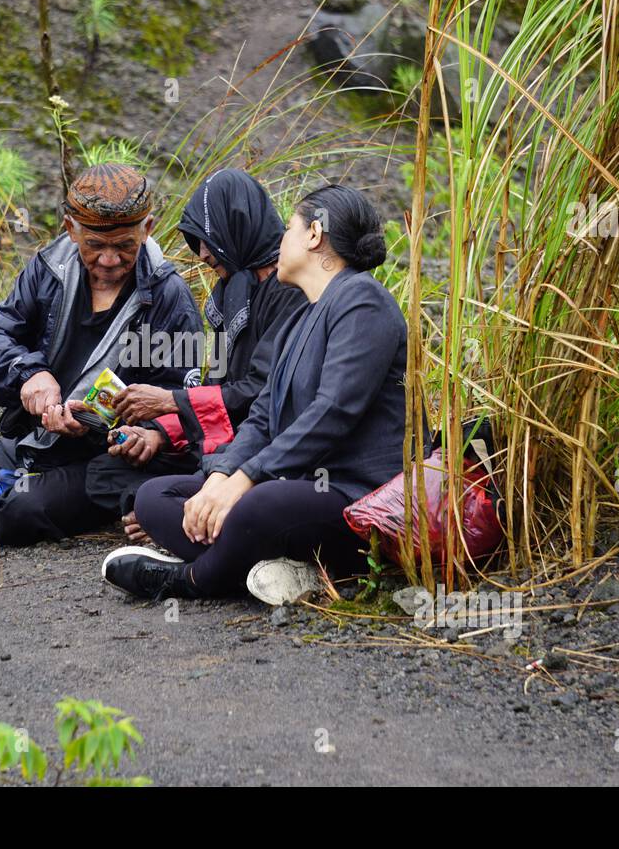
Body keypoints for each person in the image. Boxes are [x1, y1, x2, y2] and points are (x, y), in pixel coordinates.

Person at [103, 184, 410, 605]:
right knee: (156, 496)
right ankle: (279, 567)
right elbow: (263, 416)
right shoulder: (302, 314)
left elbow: (332, 412)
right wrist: (222, 476)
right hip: (296, 487)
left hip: (351, 494)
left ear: (315, 234)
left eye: (289, 229)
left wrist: (247, 480)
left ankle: (193, 579)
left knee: (257, 504)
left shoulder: (363, 301)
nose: (280, 240)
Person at [0, 163, 201, 543]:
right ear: (70, 229)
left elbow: (183, 397)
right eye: (95, 245)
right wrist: (29, 373)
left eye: (125, 245)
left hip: (99, 462)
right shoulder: (49, 269)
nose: (109, 260)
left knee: (23, 511)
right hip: (36, 442)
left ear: (147, 229)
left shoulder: (169, 296)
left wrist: (141, 432)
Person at [86, 168, 308, 541]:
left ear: (237, 226)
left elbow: (259, 392)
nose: (203, 254)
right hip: (225, 439)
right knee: (102, 475)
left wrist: (170, 401)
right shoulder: (229, 292)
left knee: (148, 496)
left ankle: (174, 516)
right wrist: (157, 434)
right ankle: (172, 511)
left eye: (208, 240)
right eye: (196, 242)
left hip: (263, 445)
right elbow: (216, 387)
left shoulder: (288, 292)